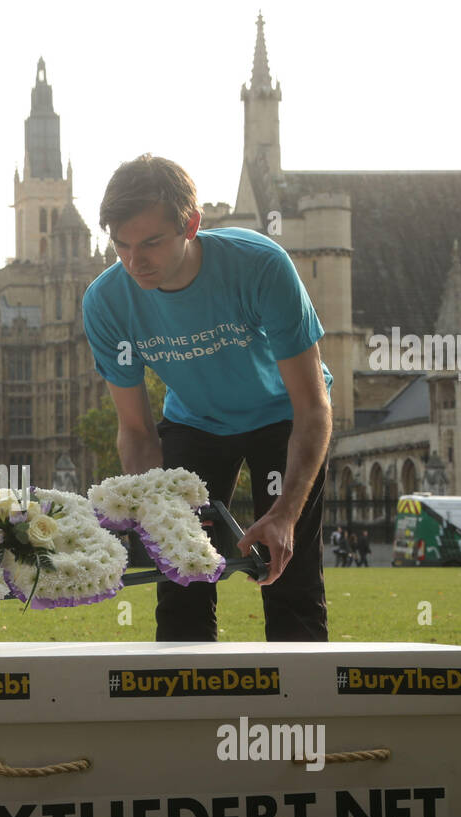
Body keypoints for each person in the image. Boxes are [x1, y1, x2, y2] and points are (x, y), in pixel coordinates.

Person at [83, 155, 332, 642]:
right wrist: (156, 510)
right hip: (195, 422)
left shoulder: (259, 266)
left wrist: (283, 516)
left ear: (191, 224)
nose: (136, 261)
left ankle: (301, 714)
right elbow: (135, 430)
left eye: (151, 242)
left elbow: (312, 406)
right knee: (180, 578)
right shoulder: (106, 302)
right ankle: (181, 710)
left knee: (287, 575)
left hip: (281, 416)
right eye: (122, 245)